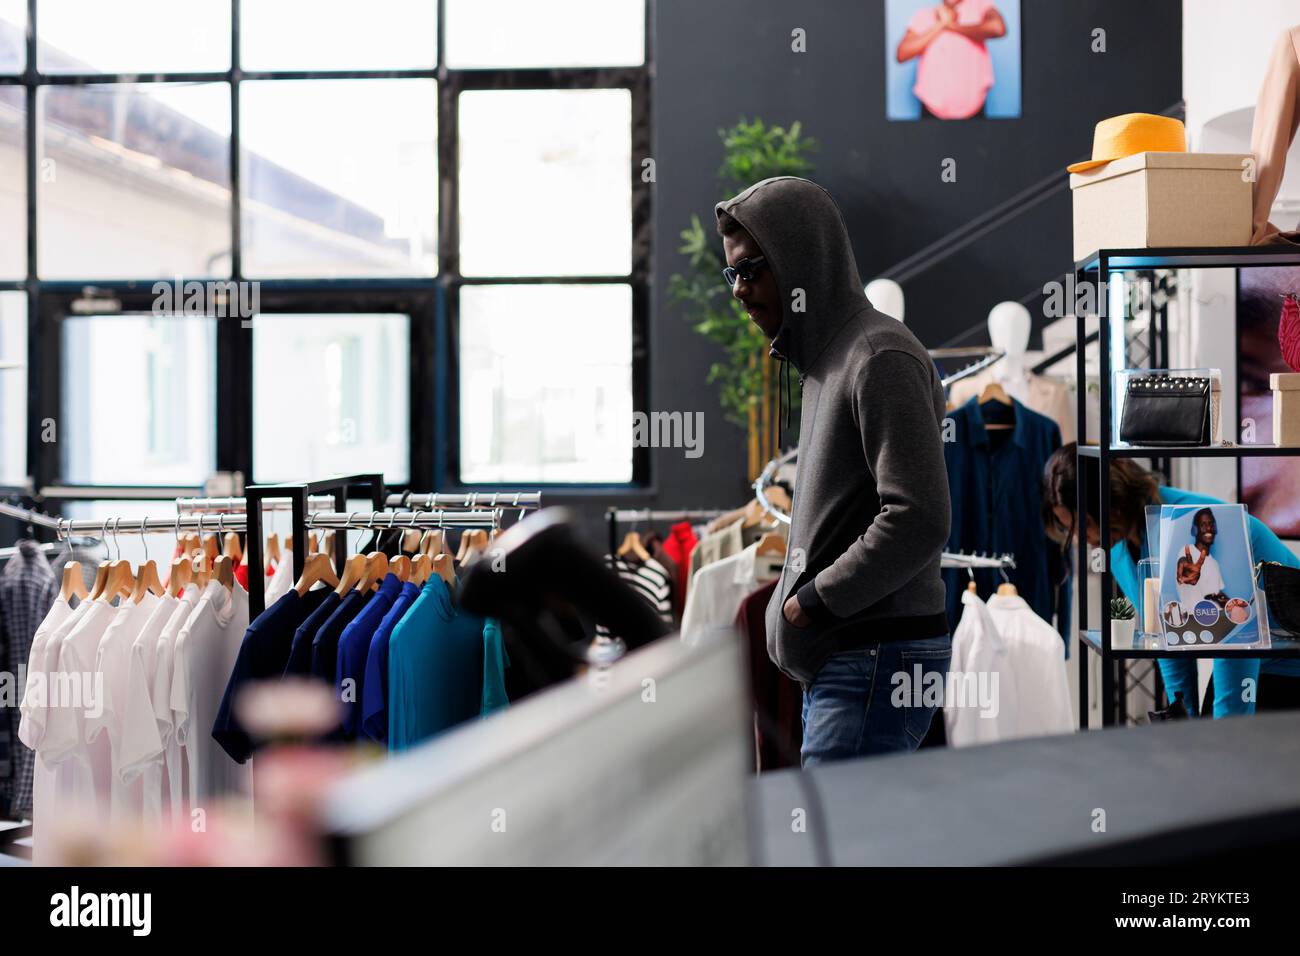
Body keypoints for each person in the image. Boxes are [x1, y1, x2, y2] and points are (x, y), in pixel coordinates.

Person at [715, 177, 951, 765]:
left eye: (751, 270)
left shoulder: (879, 357)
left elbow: (918, 517)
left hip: (873, 658)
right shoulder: (832, 362)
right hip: (853, 660)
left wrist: (809, 603)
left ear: (801, 259)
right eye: (732, 276)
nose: (740, 291)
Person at [1042, 443, 1300, 717]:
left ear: (1110, 503)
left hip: (1286, 667)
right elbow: (1167, 636)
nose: (1081, 538)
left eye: (1083, 525)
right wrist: (1181, 718)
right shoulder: (1119, 550)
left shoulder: (1200, 523)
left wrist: (1228, 734)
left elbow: (1235, 638)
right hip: (1259, 665)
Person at [895, 0, 1006, 120]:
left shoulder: (980, 7)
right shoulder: (925, 15)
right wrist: (941, 25)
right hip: (931, 112)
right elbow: (902, 53)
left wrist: (951, 26)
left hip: (975, 112)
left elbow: (997, 28)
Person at [1174, 508, 1227, 610]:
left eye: (1211, 524)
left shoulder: (1214, 563)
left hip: (1217, 620)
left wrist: (1234, 604)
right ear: (1195, 530)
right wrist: (1186, 572)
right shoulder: (1186, 551)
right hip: (1195, 620)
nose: (1208, 528)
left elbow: (1216, 594)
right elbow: (1183, 562)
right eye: (1203, 524)